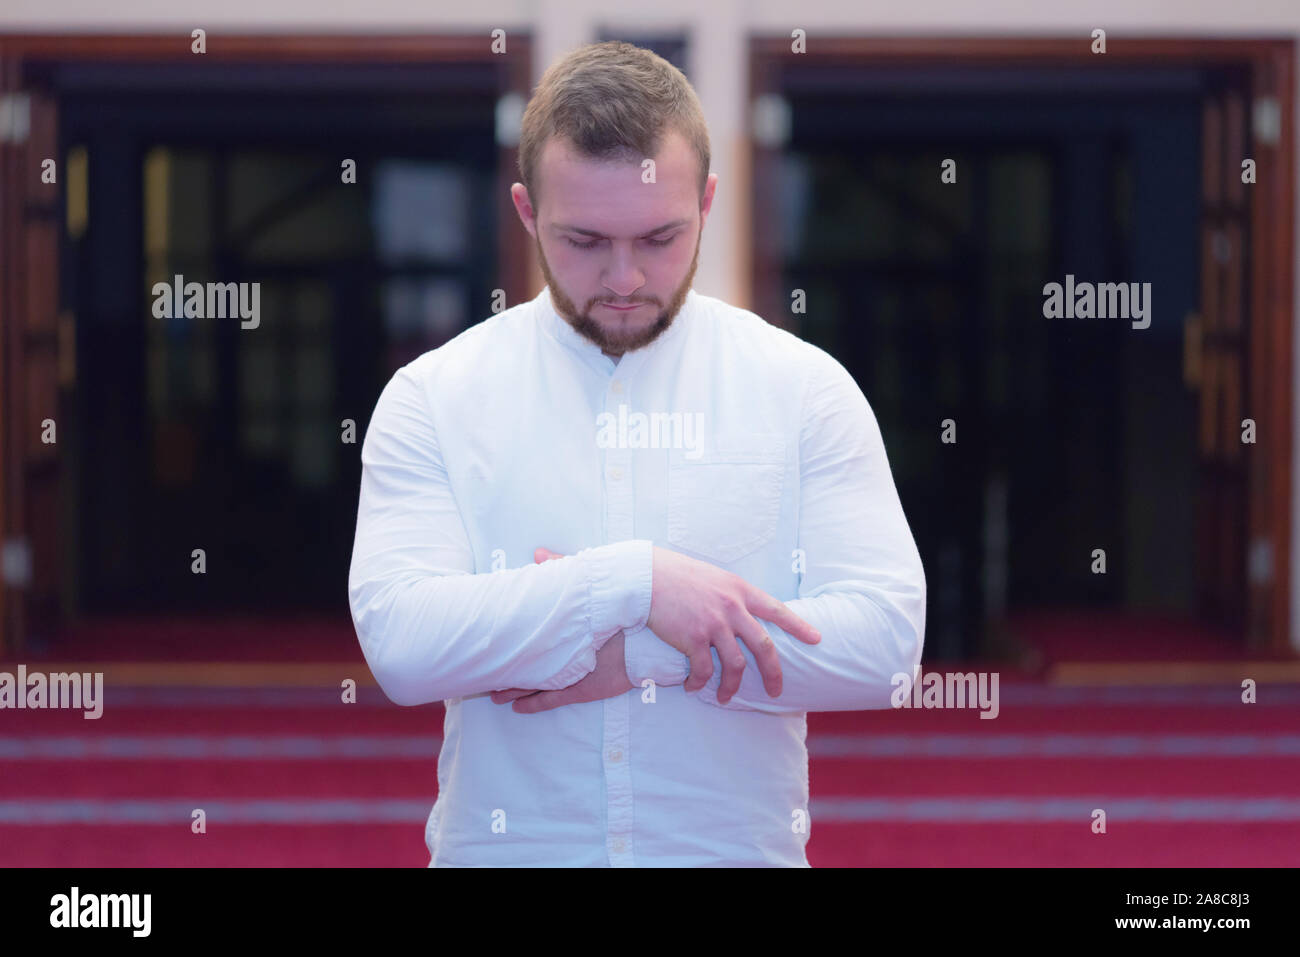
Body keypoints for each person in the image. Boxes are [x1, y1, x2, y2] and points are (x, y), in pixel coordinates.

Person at [347, 40, 926, 867]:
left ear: (710, 203)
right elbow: (403, 641)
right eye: (584, 240)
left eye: (660, 237)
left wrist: (636, 650)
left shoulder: (803, 389)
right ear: (524, 212)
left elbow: (885, 643)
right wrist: (638, 579)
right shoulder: (435, 397)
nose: (624, 277)